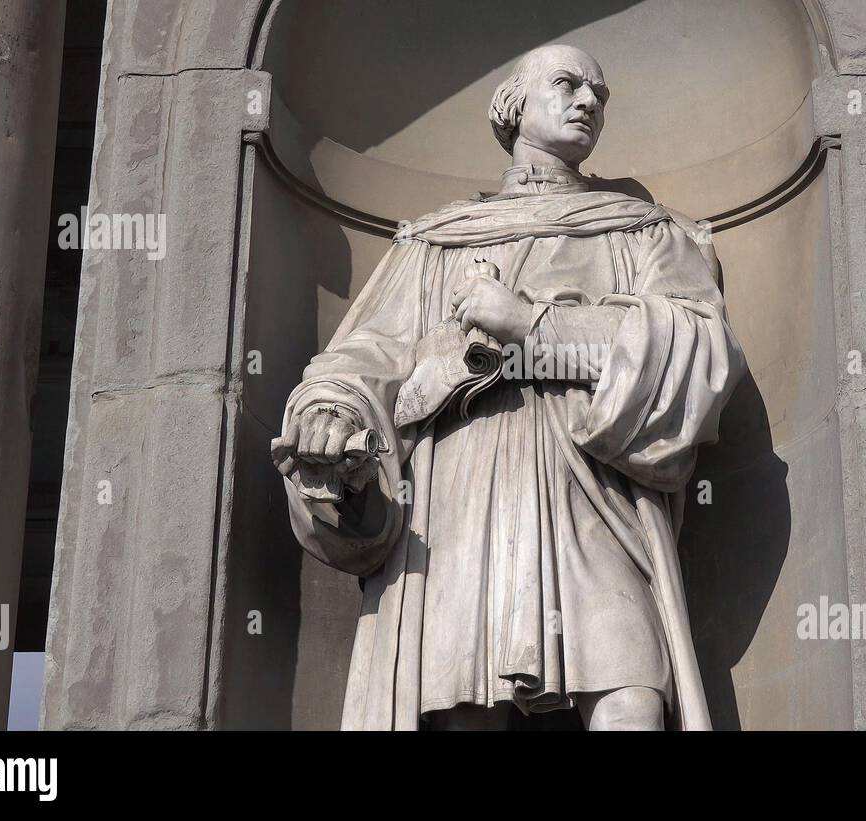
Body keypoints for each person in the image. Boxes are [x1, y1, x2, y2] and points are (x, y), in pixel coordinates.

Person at [273, 44, 745, 730]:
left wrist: (532, 324)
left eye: (600, 94)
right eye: (568, 83)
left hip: (594, 482)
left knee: (631, 693)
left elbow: (697, 344)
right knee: (462, 704)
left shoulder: (644, 234)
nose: (589, 101)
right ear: (515, 103)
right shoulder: (437, 242)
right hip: (465, 488)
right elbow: (365, 357)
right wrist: (328, 414)